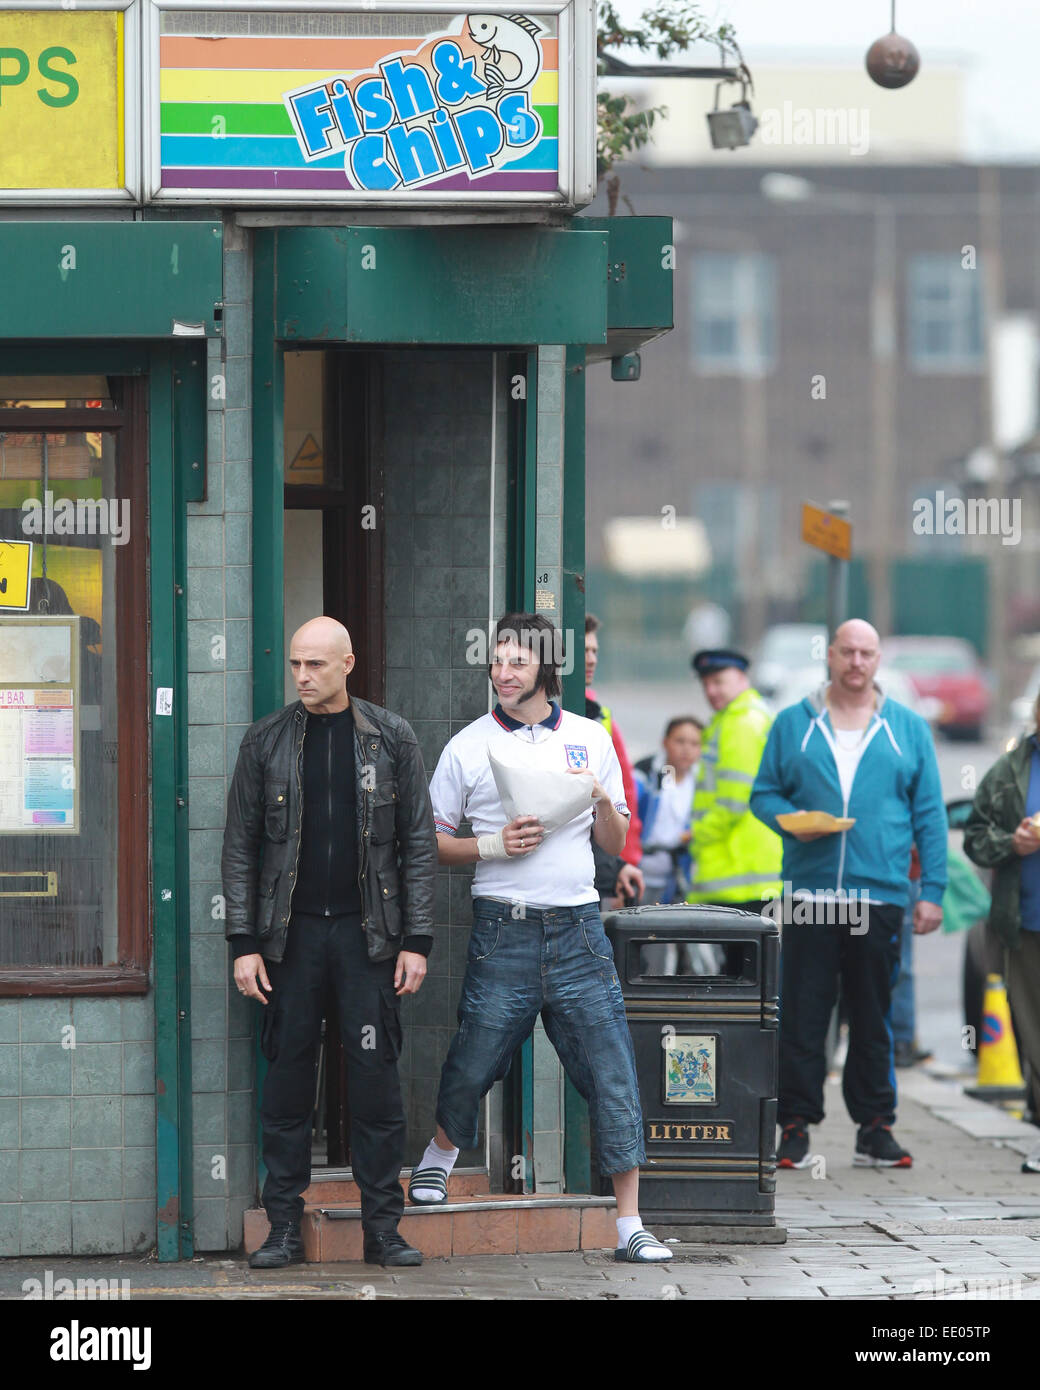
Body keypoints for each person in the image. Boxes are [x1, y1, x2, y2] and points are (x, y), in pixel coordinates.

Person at [409, 612, 673, 1263]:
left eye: (517, 662)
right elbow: (429, 842)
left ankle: (630, 1224)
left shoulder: (590, 736)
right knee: (476, 1055)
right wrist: (491, 844)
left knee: (612, 1067)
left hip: (579, 929)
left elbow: (613, 841)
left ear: (546, 669)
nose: (502, 672)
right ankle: (439, 1156)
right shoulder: (469, 745)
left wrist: (598, 800)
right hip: (505, 929)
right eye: (497, 661)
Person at [222, 617, 437, 1268]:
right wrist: (244, 942)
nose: (302, 677)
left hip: (367, 940)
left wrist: (417, 939)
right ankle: (283, 1229)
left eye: (314, 665)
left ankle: (383, 1231)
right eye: (295, 665)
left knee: (376, 1087)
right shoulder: (266, 742)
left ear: (347, 663)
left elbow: (418, 846)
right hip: (289, 944)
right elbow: (240, 849)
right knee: (287, 1086)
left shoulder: (391, 737)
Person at [750, 620, 946, 1170]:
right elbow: (762, 793)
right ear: (830, 656)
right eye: (847, 652)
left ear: (878, 659)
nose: (856, 662)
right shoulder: (794, 724)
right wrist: (790, 823)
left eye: (867, 653)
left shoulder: (907, 729)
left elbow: (929, 814)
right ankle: (794, 1125)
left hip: (880, 893)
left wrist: (931, 890)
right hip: (811, 894)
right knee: (804, 1014)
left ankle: (875, 1128)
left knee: (872, 1013)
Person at [963, 691, 1040, 1173]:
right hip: (1026, 924)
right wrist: (1012, 841)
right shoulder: (1013, 769)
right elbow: (974, 835)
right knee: (1035, 1036)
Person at [687, 649, 782, 913]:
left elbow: (734, 802)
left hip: (738, 869)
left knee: (742, 954)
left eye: (718, 681)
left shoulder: (740, 723)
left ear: (742, 679)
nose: (711, 690)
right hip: (744, 869)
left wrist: (697, 835)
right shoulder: (740, 717)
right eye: (706, 684)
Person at [585, 614, 644, 909]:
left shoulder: (600, 716)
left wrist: (623, 864)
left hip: (600, 868)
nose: (592, 659)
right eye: (584, 651)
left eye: (595, 651)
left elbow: (626, 796)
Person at [634, 717, 703, 905]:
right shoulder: (650, 773)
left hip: (678, 877)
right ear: (665, 742)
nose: (686, 749)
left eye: (695, 743)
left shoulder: (700, 781)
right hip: (640, 873)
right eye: (680, 741)